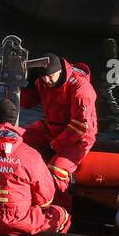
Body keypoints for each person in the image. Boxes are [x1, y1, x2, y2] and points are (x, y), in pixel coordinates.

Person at [0, 100, 70, 236]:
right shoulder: (30, 155)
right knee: (62, 215)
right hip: (17, 223)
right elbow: (46, 198)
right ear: (13, 123)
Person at [20, 54, 98, 194]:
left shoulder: (80, 88)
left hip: (79, 137)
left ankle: (62, 203)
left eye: (50, 76)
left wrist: (55, 145)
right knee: (17, 141)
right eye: (43, 76)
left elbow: (79, 126)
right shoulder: (42, 82)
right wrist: (29, 84)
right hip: (51, 127)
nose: (47, 80)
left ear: (59, 71)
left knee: (56, 169)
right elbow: (26, 103)